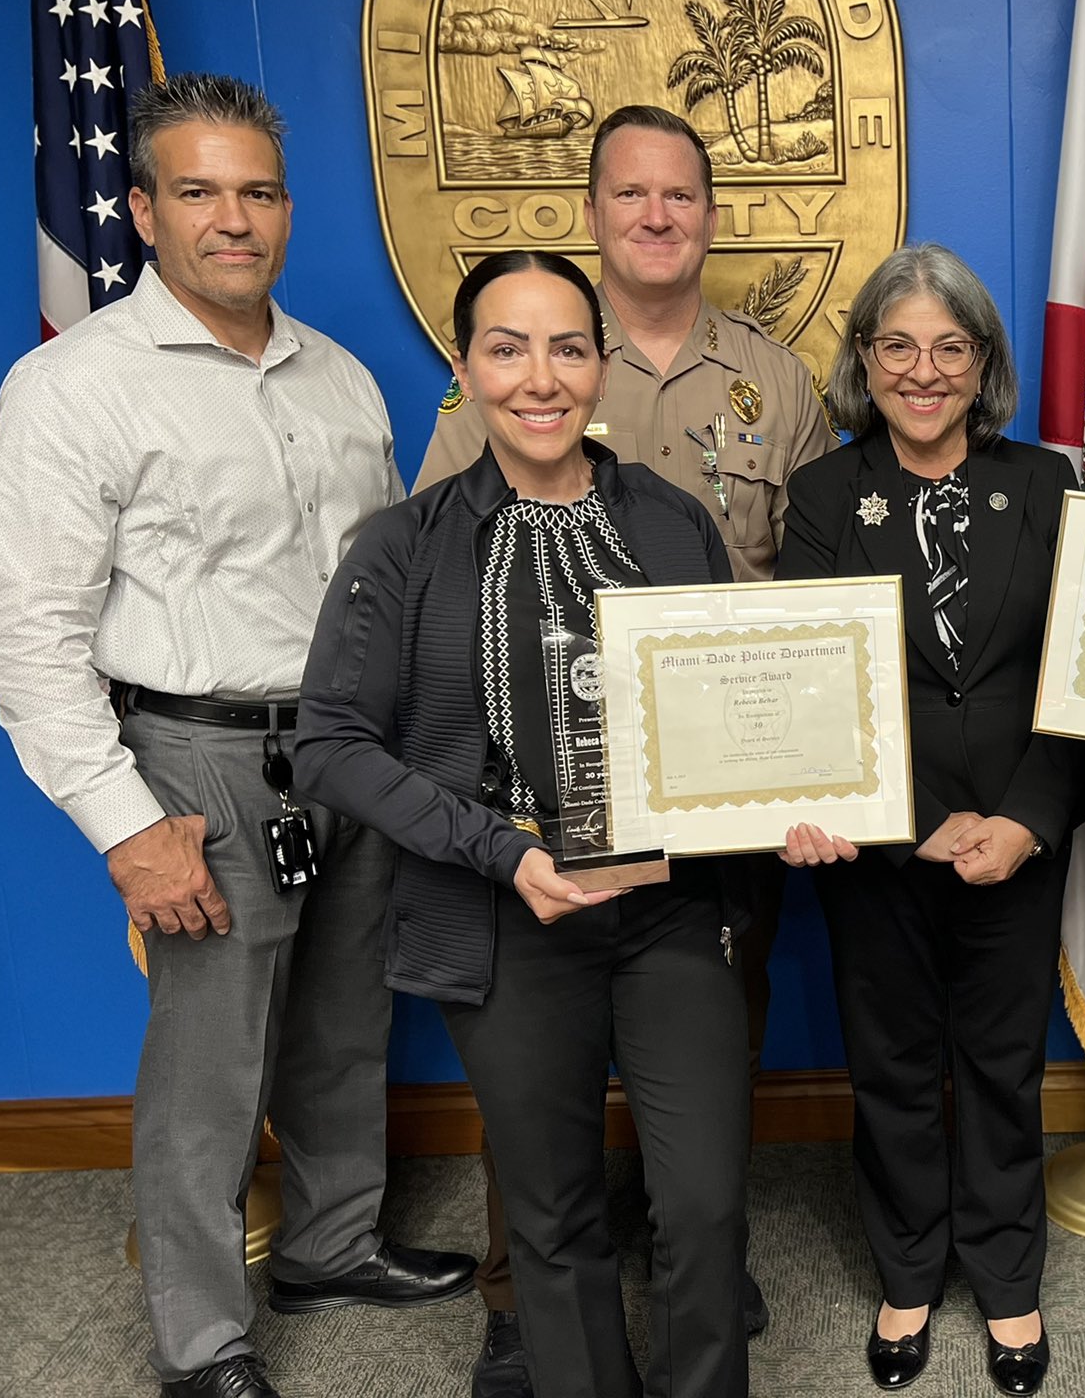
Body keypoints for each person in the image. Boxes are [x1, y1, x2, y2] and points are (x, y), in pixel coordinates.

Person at [0, 73, 475, 1398]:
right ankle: (200, 1339)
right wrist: (128, 828)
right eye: (197, 191)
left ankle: (330, 1246)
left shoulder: (341, 379)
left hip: (351, 749)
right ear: (143, 209)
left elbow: (384, 587)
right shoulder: (73, 387)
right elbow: (16, 636)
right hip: (196, 763)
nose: (232, 219)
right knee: (209, 1063)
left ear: (288, 211)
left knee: (345, 1020)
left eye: (257, 192)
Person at [415, 105, 830, 1379]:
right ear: (591, 213)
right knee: (532, 1077)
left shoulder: (776, 381)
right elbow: (439, 585)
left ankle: (688, 1249)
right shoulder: (512, 375)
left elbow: (816, 591)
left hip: (717, 796)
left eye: (680, 195)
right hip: (538, 807)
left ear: (709, 215)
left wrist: (812, 766)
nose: (656, 216)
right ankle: (517, 1297)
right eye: (630, 194)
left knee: (711, 1034)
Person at [294, 250, 751, 1398]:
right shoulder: (403, 545)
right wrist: (502, 851)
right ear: (464, 369)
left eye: (566, 347)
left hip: (665, 913)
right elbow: (332, 746)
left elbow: (730, 711)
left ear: (599, 363)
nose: (539, 378)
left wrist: (789, 804)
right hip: (501, 920)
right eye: (507, 349)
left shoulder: (674, 522)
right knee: (551, 1215)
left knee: (703, 1205)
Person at [774, 244, 1085, 1395]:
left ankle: (1006, 1279)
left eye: (948, 347)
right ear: (863, 359)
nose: (922, 370)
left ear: (983, 363)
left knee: (1002, 1065)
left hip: (1019, 831)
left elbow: (1076, 672)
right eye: (897, 345)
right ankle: (907, 1270)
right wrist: (913, 825)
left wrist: (1026, 819)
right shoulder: (822, 497)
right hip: (877, 847)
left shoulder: (1045, 486)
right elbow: (814, 684)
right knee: (892, 1064)